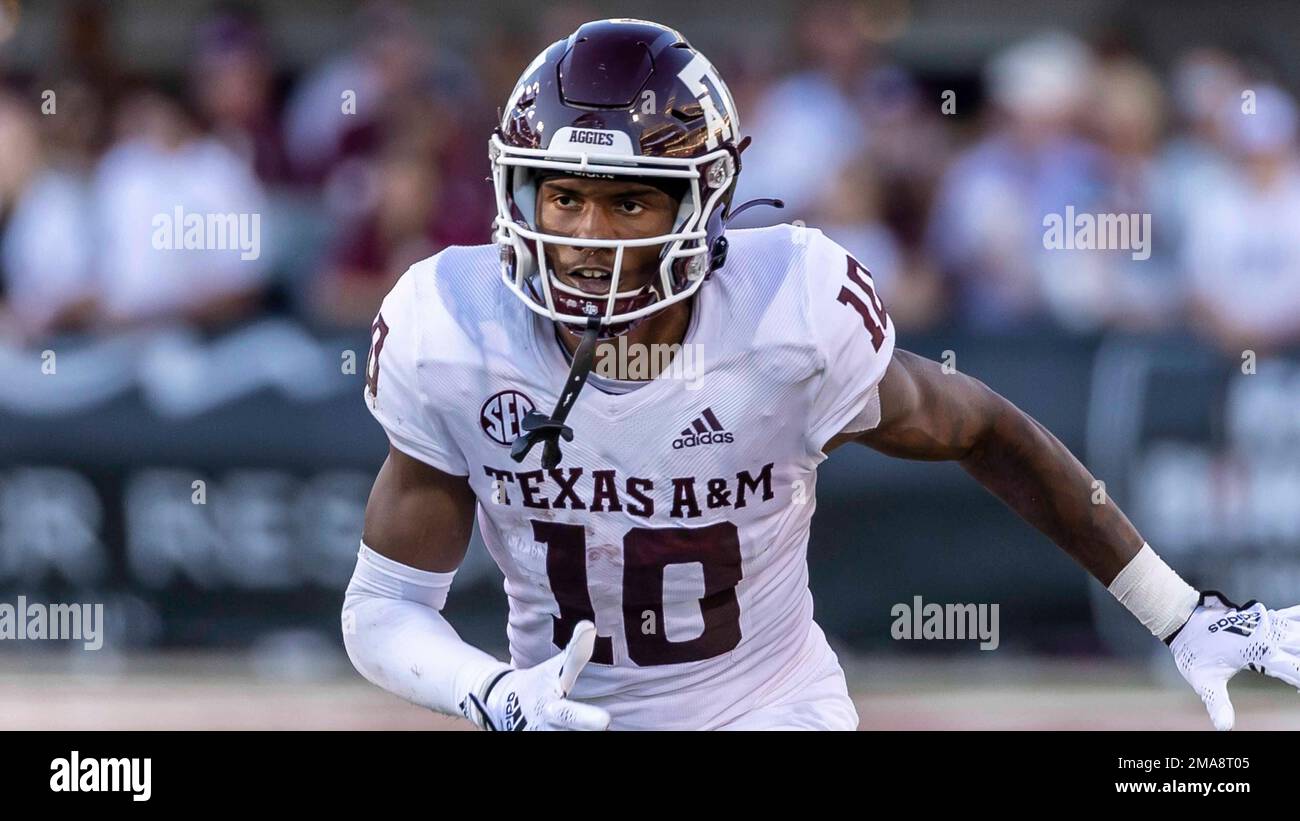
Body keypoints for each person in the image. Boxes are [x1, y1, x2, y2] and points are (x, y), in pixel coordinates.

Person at [341, 19, 1300, 731]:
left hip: (767, 709)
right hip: (557, 716)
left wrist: (1178, 614)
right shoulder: (452, 331)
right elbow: (384, 609)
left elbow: (986, 429)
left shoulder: (786, 319)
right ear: (517, 192)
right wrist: (495, 692)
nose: (586, 237)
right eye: (563, 195)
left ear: (703, 203)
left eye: (629, 200)